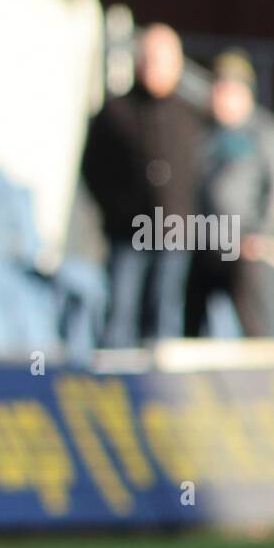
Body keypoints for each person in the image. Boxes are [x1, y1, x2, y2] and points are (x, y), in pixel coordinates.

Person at [81, 23, 203, 344]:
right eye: (149, 58)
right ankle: (116, 384)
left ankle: (159, 388)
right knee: (120, 311)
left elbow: (201, 175)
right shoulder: (115, 112)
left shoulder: (190, 117)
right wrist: (116, 211)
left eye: (162, 60)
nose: (154, 67)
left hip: (174, 232)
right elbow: (92, 169)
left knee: (164, 314)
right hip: (127, 232)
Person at [184, 50, 274, 337]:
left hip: (242, 240)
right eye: (218, 89)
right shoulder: (202, 130)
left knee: (251, 321)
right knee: (191, 320)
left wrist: (262, 232)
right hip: (203, 239)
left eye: (229, 90)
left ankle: (259, 379)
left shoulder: (262, 134)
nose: (221, 98)